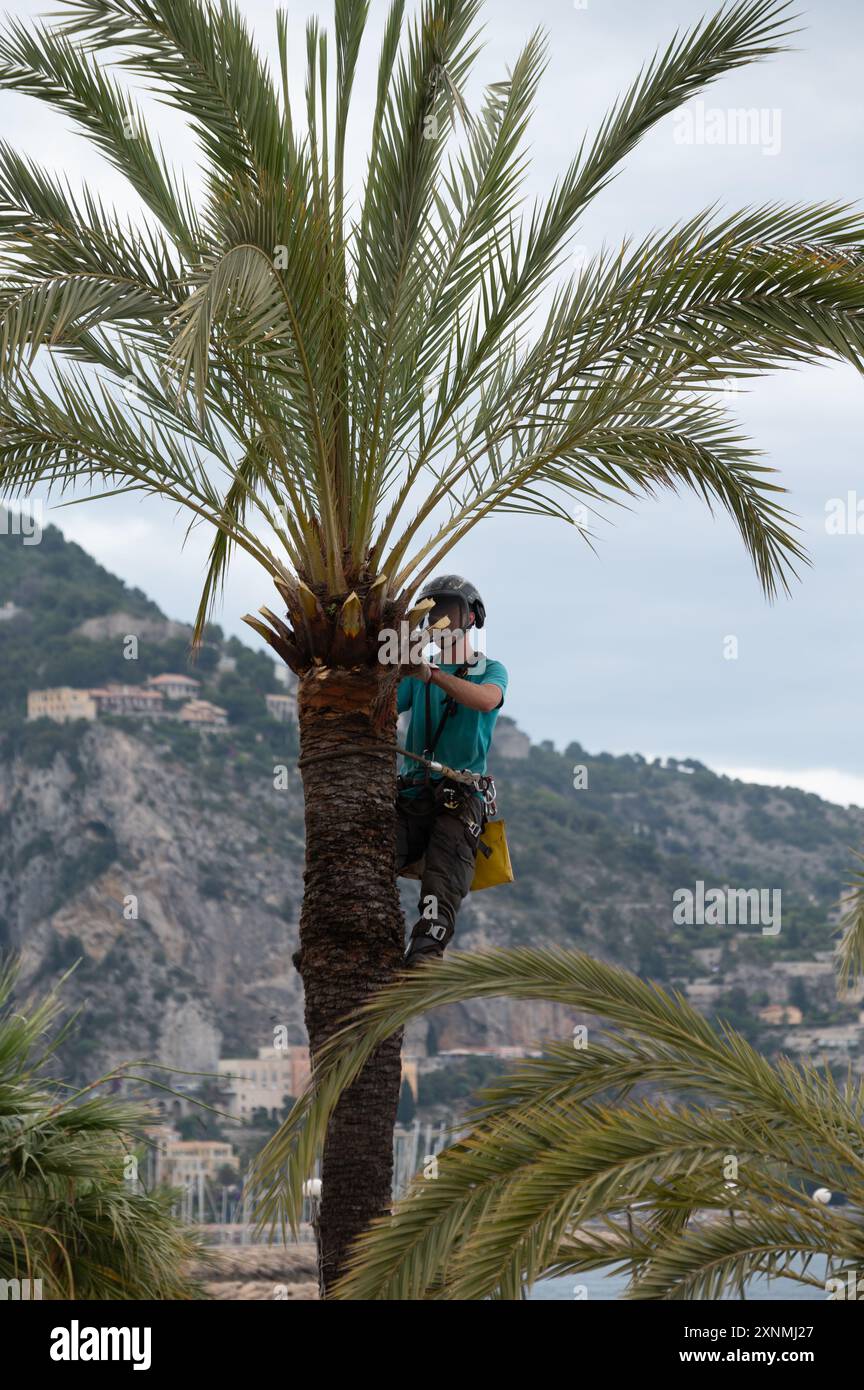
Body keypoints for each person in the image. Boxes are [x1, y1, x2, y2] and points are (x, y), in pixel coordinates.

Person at [395, 575, 508, 964]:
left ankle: (424, 959)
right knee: (367, 858)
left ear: (472, 617)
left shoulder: (490, 670)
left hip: (460, 798)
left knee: (442, 884)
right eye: (432, 612)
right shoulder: (416, 676)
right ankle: (340, 935)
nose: (440, 619)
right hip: (412, 793)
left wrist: (433, 675)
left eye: (448, 610)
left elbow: (486, 701)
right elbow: (381, 706)